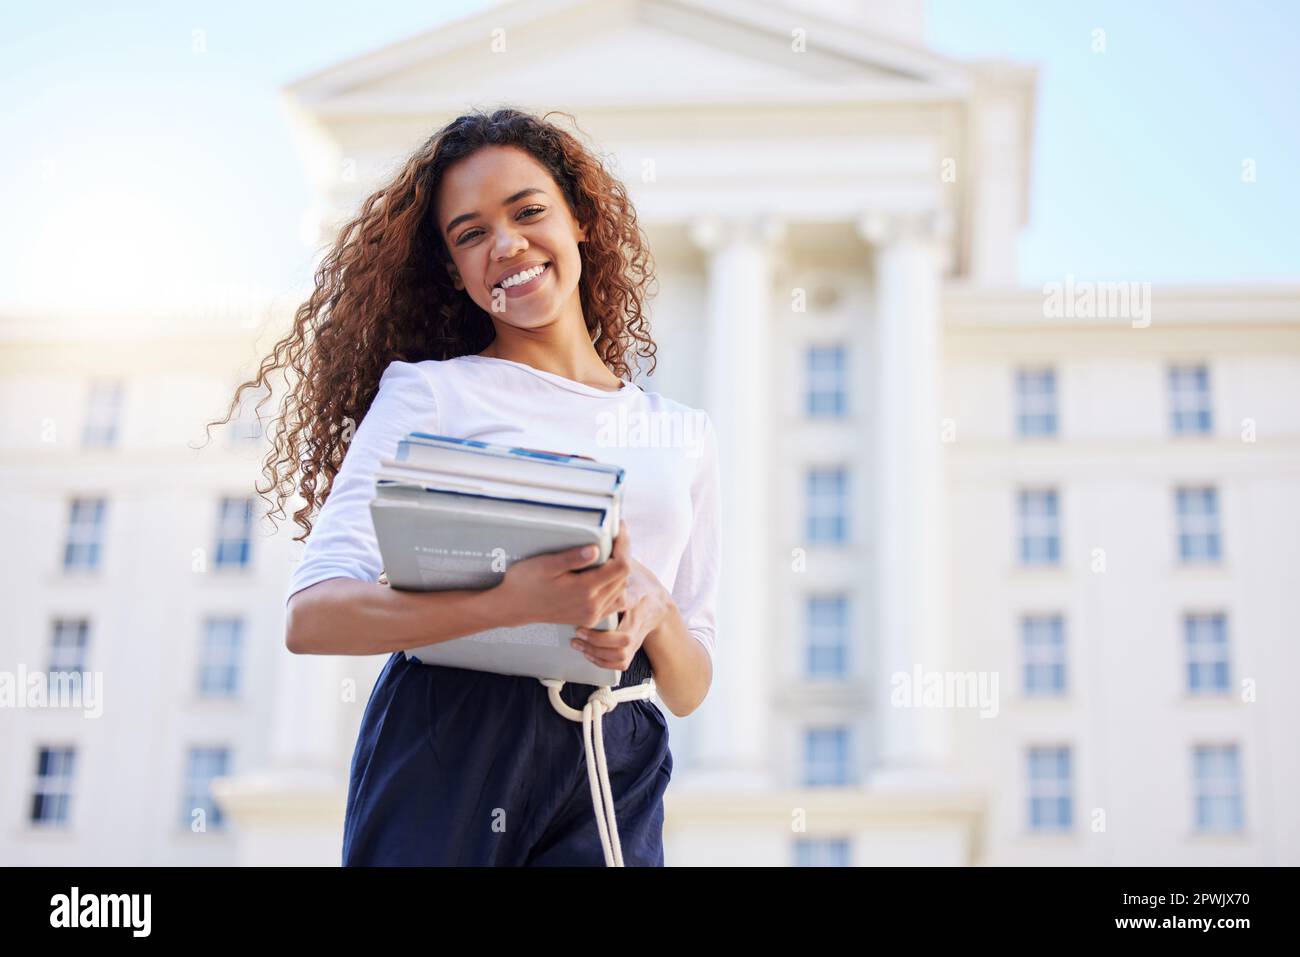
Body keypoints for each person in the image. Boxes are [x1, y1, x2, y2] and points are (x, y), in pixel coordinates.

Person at [206, 108, 720, 866]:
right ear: (454, 270)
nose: (506, 245)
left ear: (579, 220)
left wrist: (654, 606)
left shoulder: (683, 432)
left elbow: (692, 683)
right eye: (471, 233)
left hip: (616, 746)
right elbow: (312, 615)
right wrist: (518, 599)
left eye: (528, 211)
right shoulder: (430, 394)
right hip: (449, 737)